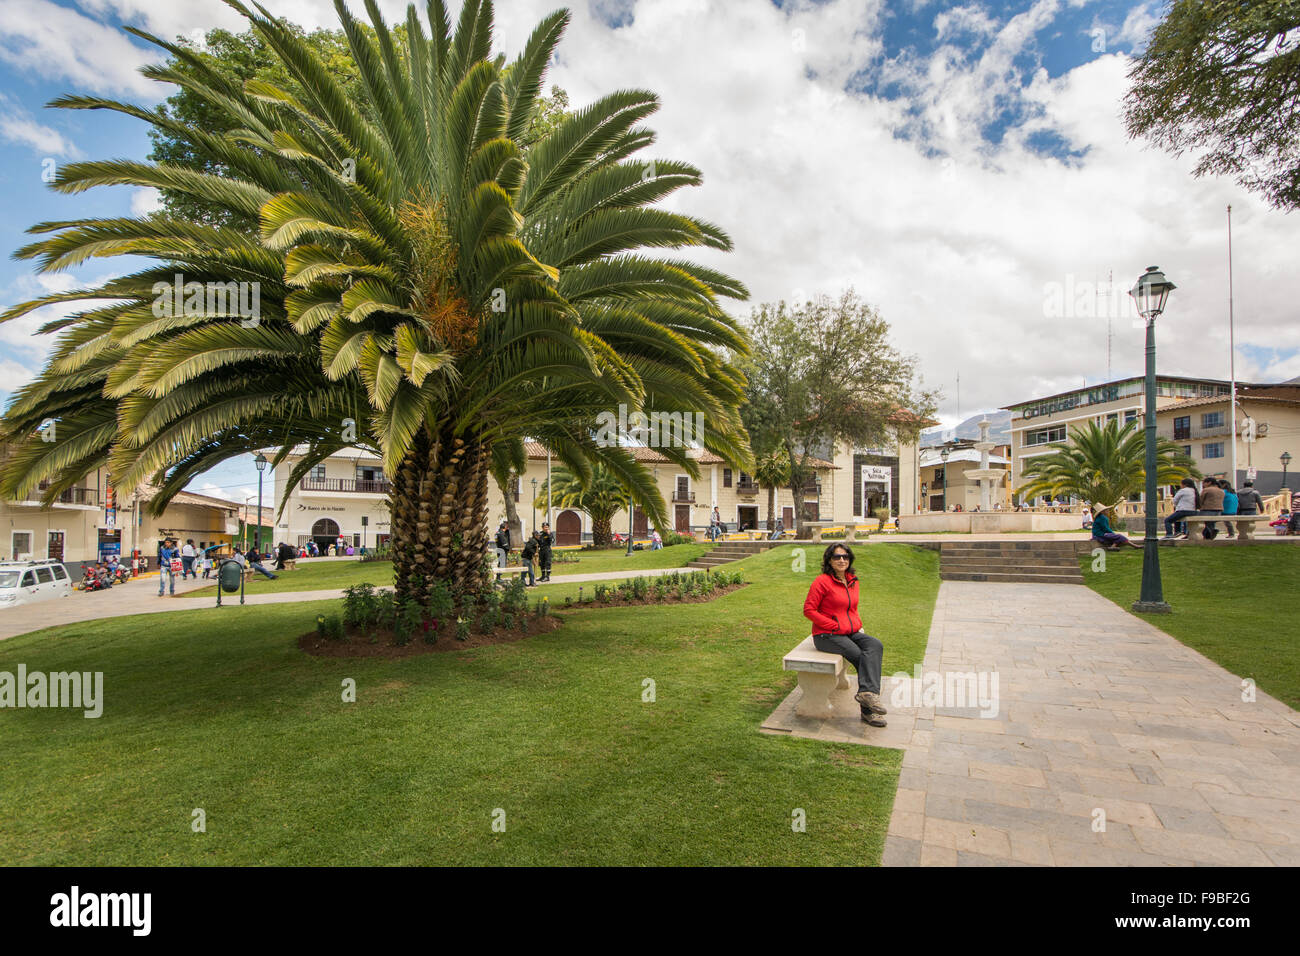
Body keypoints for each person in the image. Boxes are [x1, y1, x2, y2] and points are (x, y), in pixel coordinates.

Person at [803, 544, 887, 727]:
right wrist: (833, 625)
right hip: (826, 635)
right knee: (859, 656)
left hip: (849, 632)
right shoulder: (822, 581)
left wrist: (856, 624)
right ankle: (868, 710)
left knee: (874, 645)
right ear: (829, 561)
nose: (842, 560)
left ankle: (868, 695)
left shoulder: (852, 580)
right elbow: (809, 610)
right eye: (836, 557)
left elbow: (852, 608)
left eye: (845, 556)